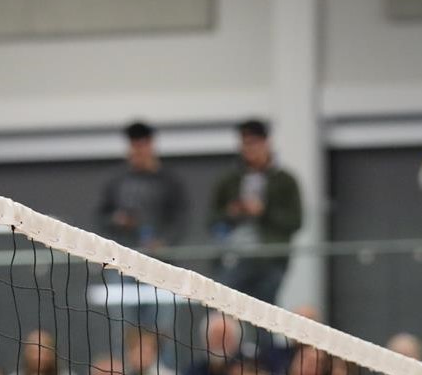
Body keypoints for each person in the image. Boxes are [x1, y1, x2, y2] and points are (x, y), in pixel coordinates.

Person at [209, 118, 304, 305]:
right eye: (246, 143)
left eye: (255, 143)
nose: (250, 149)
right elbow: (212, 218)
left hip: (271, 258)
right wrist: (232, 212)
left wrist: (263, 211)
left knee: (267, 315)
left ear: (266, 143)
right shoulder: (228, 181)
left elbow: (296, 221)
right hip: (234, 257)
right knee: (225, 309)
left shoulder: (285, 180)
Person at [97, 120, 186, 252]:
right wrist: (117, 220)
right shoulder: (117, 181)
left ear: (150, 146)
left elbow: (180, 218)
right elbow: (101, 216)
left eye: (142, 145)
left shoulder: (169, 181)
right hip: (124, 253)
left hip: (159, 257)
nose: (138, 151)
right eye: (134, 145)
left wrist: (164, 242)